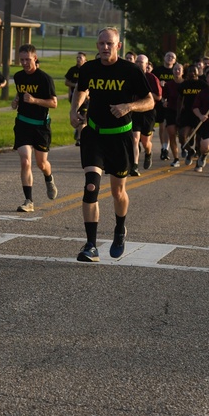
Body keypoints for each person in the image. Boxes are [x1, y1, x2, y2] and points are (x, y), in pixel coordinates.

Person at [70, 27, 154, 262]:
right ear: (97, 46)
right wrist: (73, 110)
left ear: (118, 46)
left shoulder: (131, 71)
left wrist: (128, 106)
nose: (105, 47)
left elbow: (149, 101)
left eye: (110, 44)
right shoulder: (89, 68)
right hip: (94, 133)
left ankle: (120, 230)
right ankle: (91, 245)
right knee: (91, 187)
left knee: (118, 192)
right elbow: (81, 89)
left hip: (120, 136)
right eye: (101, 43)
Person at [11, 45, 58, 212]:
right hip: (23, 123)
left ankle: (48, 177)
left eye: (27, 60)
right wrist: (16, 101)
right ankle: (28, 200)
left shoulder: (45, 79)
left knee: (41, 163)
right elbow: (20, 92)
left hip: (40, 126)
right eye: (21, 59)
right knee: (25, 161)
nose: (24, 63)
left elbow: (54, 103)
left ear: (35, 58)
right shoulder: (18, 76)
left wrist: (34, 100)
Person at [130, 53, 162, 175]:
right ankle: (135, 166)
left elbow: (158, 97)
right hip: (135, 110)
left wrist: (146, 94)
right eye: (137, 62)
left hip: (148, 112)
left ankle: (148, 153)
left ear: (146, 64)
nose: (138, 64)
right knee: (135, 138)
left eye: (141, 62)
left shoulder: (152, 78)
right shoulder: (131, 76)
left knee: (145, 142)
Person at [153, 51, 178, 160]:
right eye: (168, 56)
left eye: (172, 57)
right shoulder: (158, 70)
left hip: (172, 102)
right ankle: (164, 148)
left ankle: (166, 148)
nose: (169, 58)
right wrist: (159, 84)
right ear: (164, 58)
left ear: (175, 60)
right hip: (160, 101)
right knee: (162, 125)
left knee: (168, 126)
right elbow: (151, 82)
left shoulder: (176, 71)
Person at [64, 51, 88, 144]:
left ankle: (79, 138)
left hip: (86, 98)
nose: (78, 59)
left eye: (80, 58)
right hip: (74, 97)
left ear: (85, 60)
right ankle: (78, 132)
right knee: (77, 116)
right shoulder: (72, 70)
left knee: (83, 116)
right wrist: (76, 85)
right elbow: (66, 82)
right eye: (77, 58)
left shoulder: (87, 70)